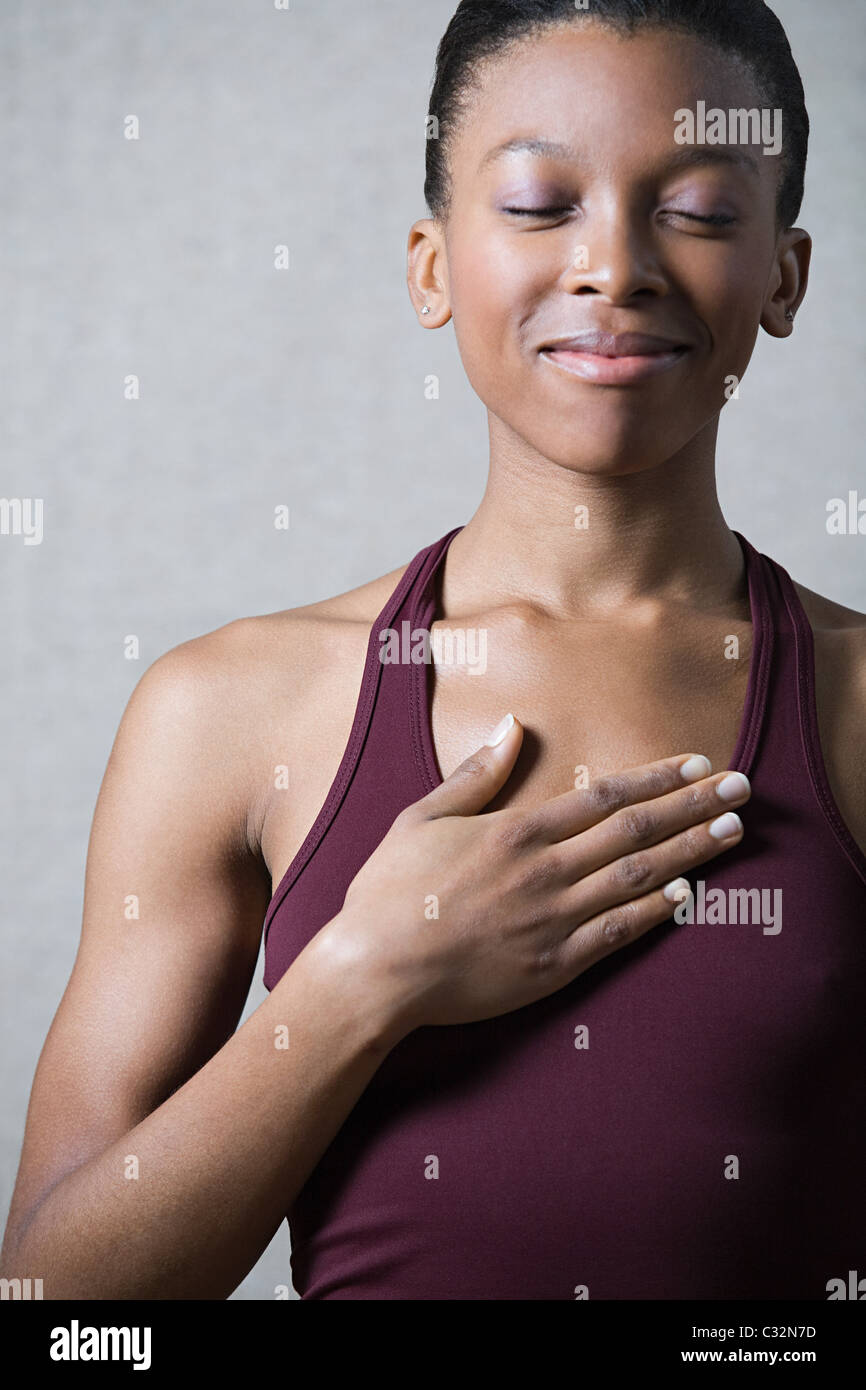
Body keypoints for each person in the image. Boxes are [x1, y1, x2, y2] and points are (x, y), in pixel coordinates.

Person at [2, 0, 864, 1301]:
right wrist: (364, 974)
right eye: (535, 203)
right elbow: (60, 1316)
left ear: (783, 276)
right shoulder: (229, 708)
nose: (611, 263)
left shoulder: (854, 706)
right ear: (430, 266)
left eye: (692, 209)